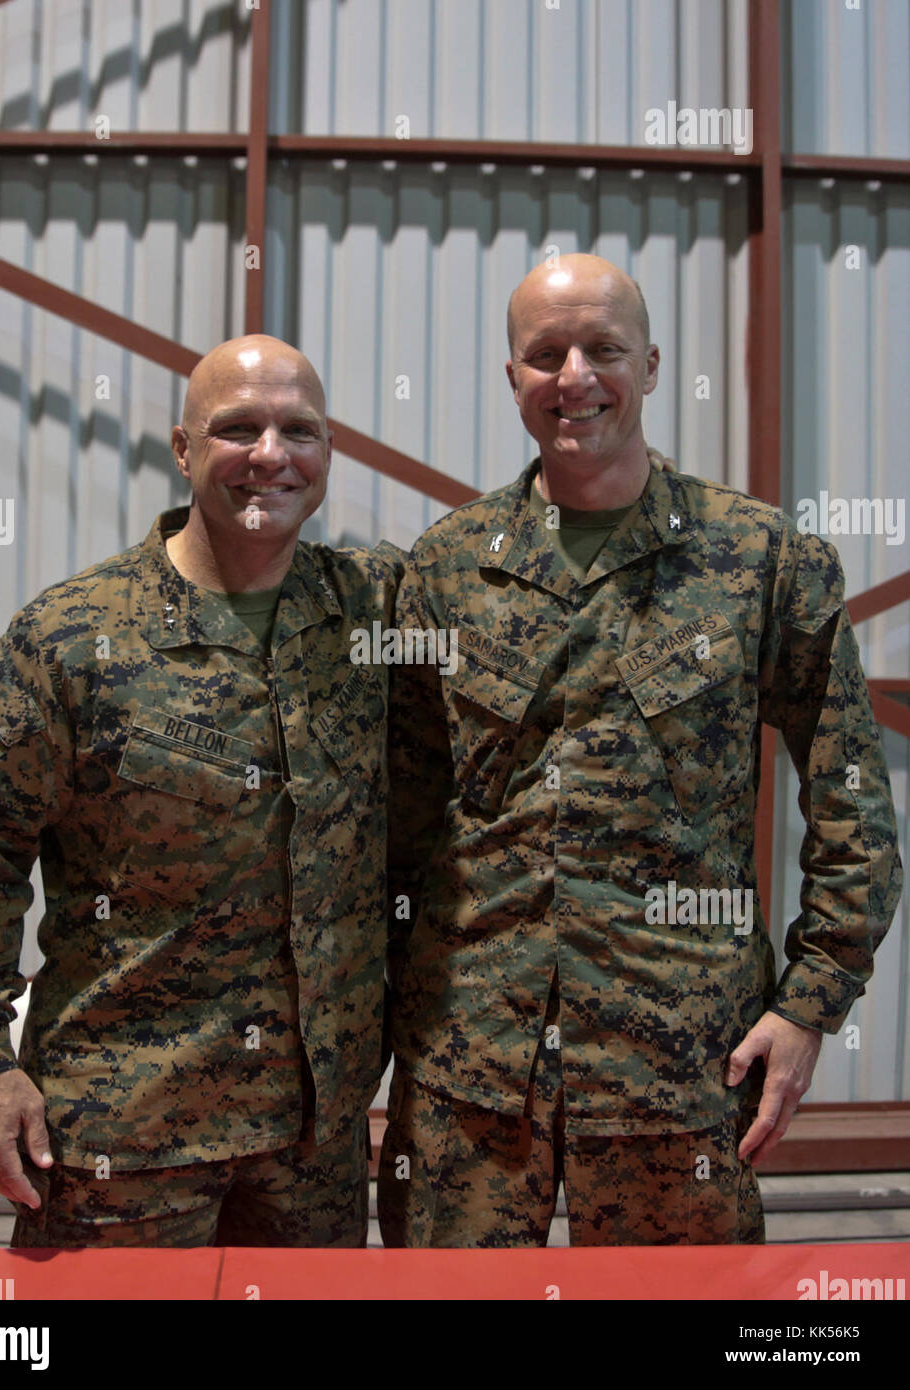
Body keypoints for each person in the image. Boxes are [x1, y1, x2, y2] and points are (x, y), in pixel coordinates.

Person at [379, 253, 902, 1247]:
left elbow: (848, 802)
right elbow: (401, 817)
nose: (573, 376)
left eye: (601, 349)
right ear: (513, 378)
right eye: (545, 354)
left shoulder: (760, 561)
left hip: (680, 1067)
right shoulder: (445, 569)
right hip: (474, 1068)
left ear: (651, 365)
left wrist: (811, 1004)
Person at [0, 335, 402, 1247]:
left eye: (300, 430)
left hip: (314, 1149)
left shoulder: (374, 617)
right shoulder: (68, 640)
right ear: (182, 450)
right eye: (237, 428)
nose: (270, 455)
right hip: (119, 1145)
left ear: (328, 453)